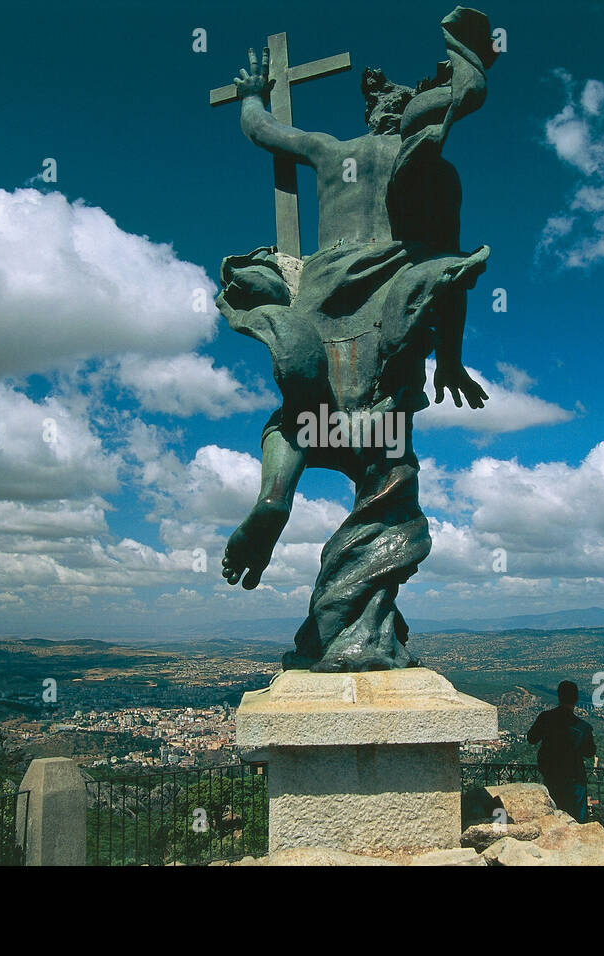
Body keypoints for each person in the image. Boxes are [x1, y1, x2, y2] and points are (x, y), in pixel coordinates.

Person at [216, 8, 497, 672]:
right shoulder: (433, 174)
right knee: (384, 463)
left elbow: (262, 130)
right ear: (410, 114)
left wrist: (253, 93)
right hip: (388, 310)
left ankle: (273, 495)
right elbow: (445, 273)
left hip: (320, 302)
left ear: (374, 115)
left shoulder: (330, 150)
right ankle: (363, 627)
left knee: (302, 416)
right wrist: (449, 358)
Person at [527, 680, 597, 821]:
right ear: (576, 699)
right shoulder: (583, 728)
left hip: (551, 774)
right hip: (574, 778)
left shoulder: (545, 718)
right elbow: (590, 752)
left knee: (553, 815)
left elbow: (531, 738)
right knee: (577, 819)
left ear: (559, 696)